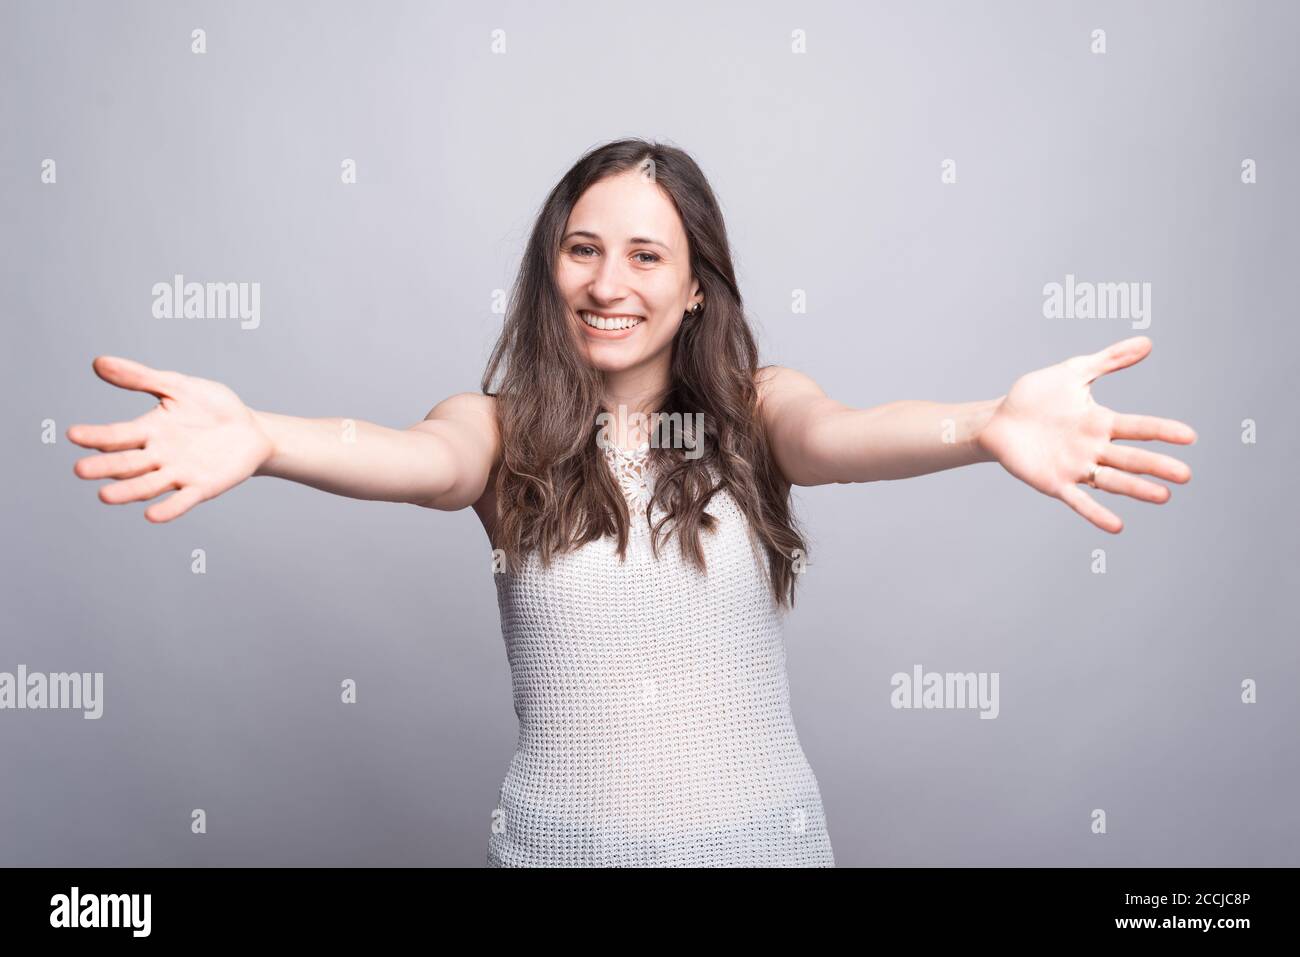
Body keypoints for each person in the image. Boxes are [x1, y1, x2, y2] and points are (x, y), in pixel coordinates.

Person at [67, 138, 1196, 867]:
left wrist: (980, 425)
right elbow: (415, 461)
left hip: (764, 851)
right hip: (558, 854)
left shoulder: (758, 412)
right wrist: (265, 437)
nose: (610, 283)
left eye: (646, 256)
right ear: (548, 268)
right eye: (583, 249)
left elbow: (844, 437)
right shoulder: (502, 433)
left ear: (695, 281)